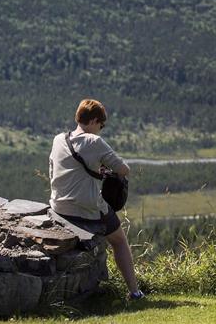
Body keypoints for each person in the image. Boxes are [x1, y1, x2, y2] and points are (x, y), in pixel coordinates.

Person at [48, 98, 144, 300]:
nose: (101, 128)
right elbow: (124, 170)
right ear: (93, 121)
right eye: (101, 124)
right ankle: (134, 292)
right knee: (119, 241)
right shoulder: (94, 141)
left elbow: (54, 171)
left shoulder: (59, 139)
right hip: (87, 209)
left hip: (58, 206)